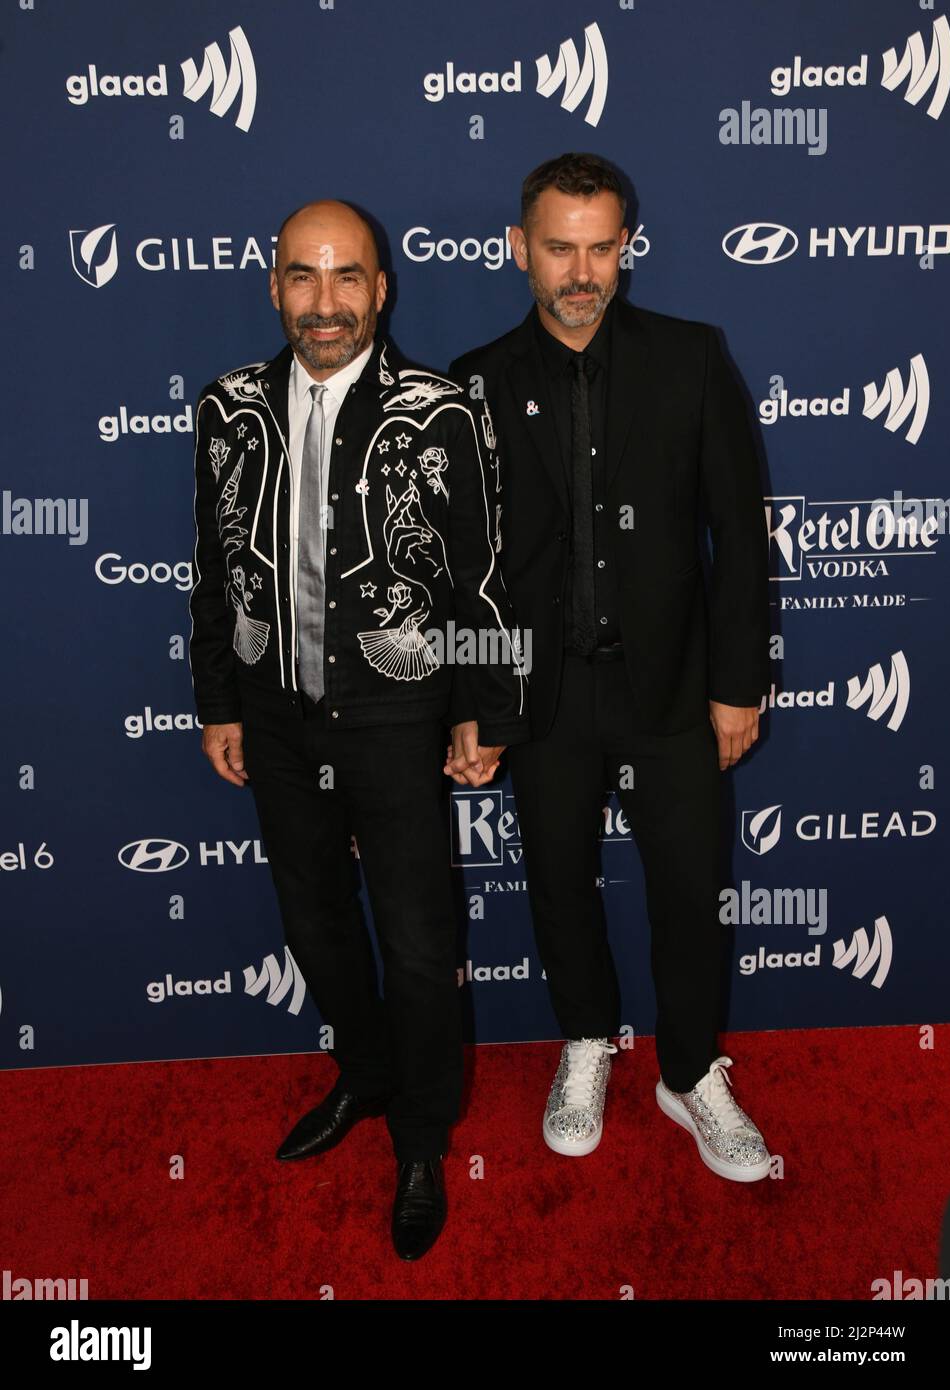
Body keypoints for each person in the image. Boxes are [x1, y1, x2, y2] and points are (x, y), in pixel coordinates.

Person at [188, 200, 528, 1258]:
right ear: (274, 286)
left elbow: (482, 578)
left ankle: (422, 1134)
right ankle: (368, 1071)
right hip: (276, 713)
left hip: (395, 712)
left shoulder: (439, 408)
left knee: (422, 946)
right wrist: (219, 699)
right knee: (314, 920)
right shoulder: (229, 406)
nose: (325, 303)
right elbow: (213, 567)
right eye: (303, 277)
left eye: (347, 279)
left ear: (381, 289)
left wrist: (484, 710)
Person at [447, 153, 774, 1181]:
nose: (582, 271)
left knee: (688, 887)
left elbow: (738, 534)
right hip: (543, 693)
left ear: (625, 245)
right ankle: (585, 1038)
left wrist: (737, 681)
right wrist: (476, 701)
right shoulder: (476, 384)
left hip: (673, 683)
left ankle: (689, 1071)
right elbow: (468, 571)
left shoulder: (690, 359)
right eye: (559, 248)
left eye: (601, 247)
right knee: (556, 882)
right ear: (517, 250)